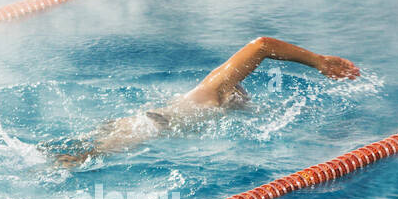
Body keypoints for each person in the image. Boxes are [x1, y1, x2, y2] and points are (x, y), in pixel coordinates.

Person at [52, 37, 360, 167]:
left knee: (66, 152)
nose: (244, 95)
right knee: (84, 159)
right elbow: (263, 46)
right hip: (148, 127)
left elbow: (263, 116)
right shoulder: (214, 90)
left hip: (143, 123)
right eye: (241, 90)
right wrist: (318, 62)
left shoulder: (219, 106)